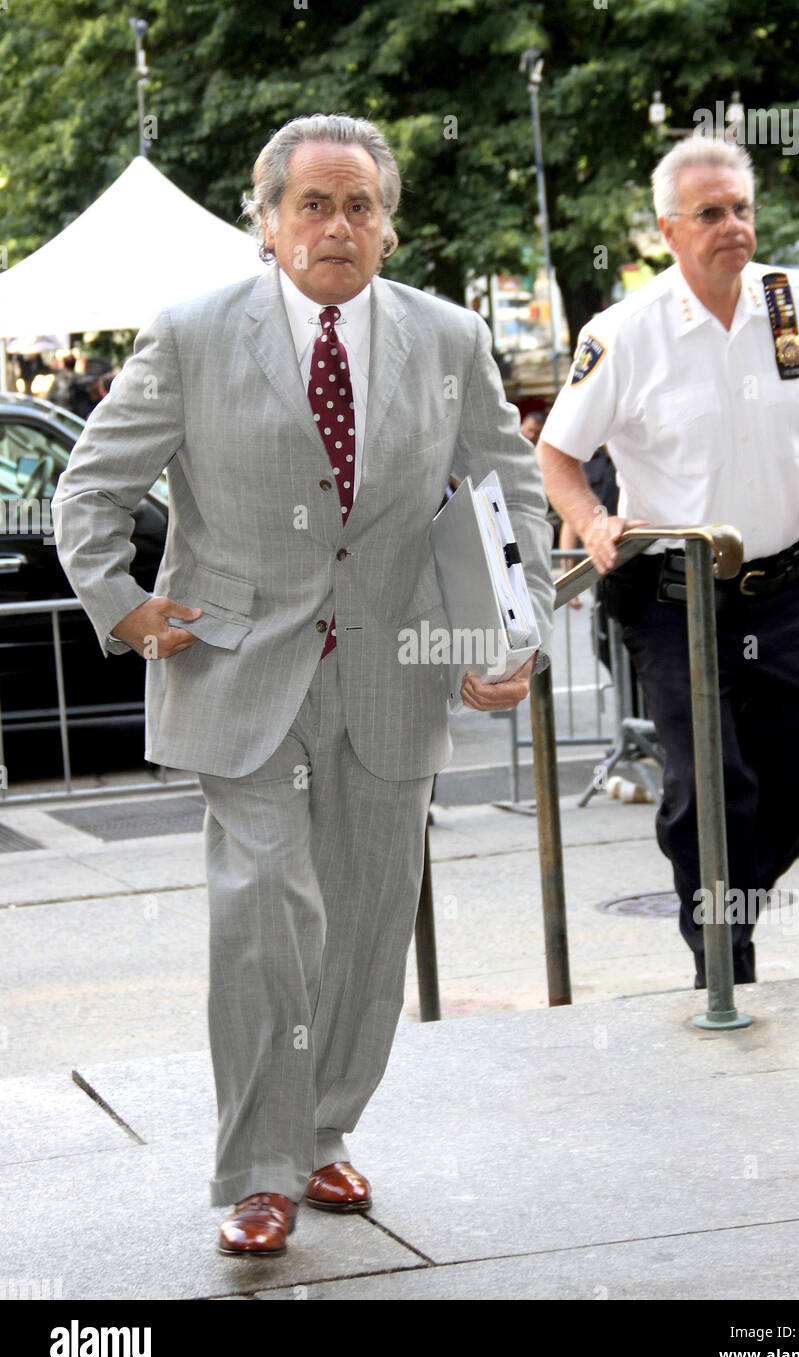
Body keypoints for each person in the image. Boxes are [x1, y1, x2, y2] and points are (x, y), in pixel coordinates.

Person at [52, 113, 554, 1257]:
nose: (338, 225)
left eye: (359, 205)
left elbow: (508, 493)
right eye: (313, 205)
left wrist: (507, 637)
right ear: (266, 220)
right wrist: (118, 604)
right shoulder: (189, 335)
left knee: (371, 928)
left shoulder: (446, 338)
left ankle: (322, 1129)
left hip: (396, 676)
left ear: (386, 222)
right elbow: (90, 490)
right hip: (236, 673)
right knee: (267, 912)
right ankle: (255, 1168)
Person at [537, 135, 799, 988]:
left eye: (743, 209)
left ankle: (731, 911)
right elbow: (558, 453)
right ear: (666, 229)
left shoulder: (795, 303)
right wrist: (592, 520)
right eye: (711, 213)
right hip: (676, 600)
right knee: (712, 784)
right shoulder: (625, 332)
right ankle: (723, 958)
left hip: (787, 588)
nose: (734, 227)